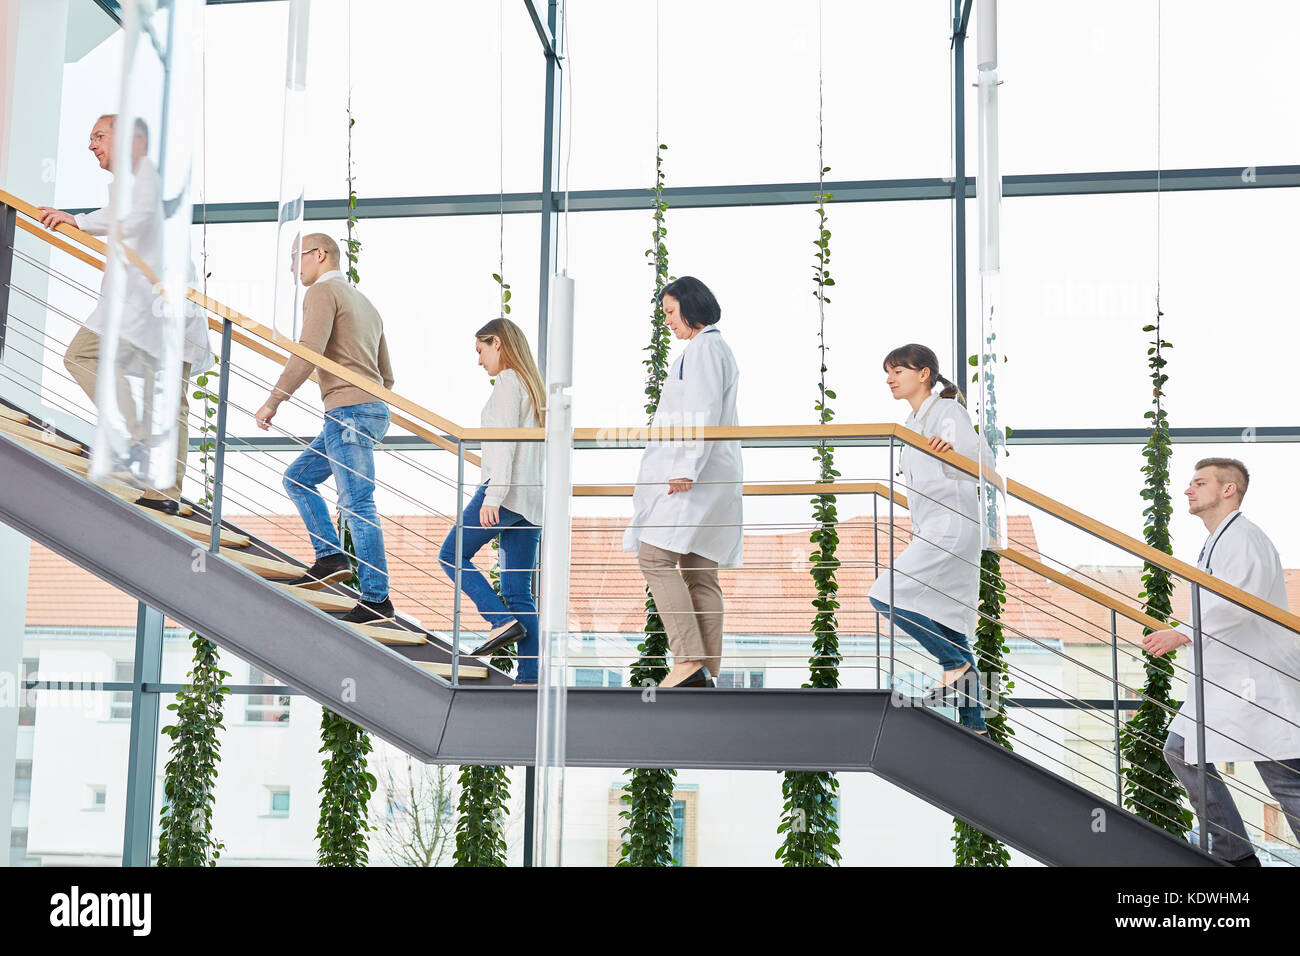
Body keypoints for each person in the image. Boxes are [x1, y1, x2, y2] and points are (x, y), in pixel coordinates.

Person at [39, 114, 211, 514]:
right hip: (155, 308)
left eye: (98, 136)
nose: (91, 145)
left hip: (153, 307)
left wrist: (77, 220)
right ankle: (162, 487)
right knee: (168, 402)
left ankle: (137, 449)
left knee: (85, 357)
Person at [1144, 458, 1300, 866]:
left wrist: (1181, 632)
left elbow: (1237, 601)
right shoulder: (1218, 540)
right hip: (1229, 679)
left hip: (1257, 679)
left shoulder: (1243, 537)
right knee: (1181, 749)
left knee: (1285, 780)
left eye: (1199, 482)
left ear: (1227, 489)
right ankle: (1233, 849)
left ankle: (1234, 850)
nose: (1188, 490)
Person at [255, 234, 396, 625]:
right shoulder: (366, 304)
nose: (292, 267)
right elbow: (387, 376)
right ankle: (331, 556)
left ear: (320, 255)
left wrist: (274, 399)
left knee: (357, 502)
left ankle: (376, 599)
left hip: (347, 413)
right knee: (298, 477)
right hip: (366, 411)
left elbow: (308, 350)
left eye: (295, 258)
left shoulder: (322, 292)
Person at [623, 276, 741, 688]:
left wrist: (687, 467)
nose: (668, 322)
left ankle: (689, 659)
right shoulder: (710, 348)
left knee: (653, 559)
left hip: (695, 476)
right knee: (698, 570)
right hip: (711, 475)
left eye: (671, 313)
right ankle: (706, 670)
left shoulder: (704, 348)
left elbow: (703, 409)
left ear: (692, 307)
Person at [867, 344, 987, 733]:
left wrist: (954, 455)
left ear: (924, 374)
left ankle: (954, 664)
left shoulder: (947, 412)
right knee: (949, 618)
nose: (889, 379)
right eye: (888, 372)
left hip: (950, 525)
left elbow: (981, 464)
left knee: (883, 593)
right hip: (939, 526)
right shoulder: (916, 421)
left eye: (898, 371)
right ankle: (975, 723)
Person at [438, 318, 545, 685]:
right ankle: (529, 678)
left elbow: (503, 444)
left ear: (497, 343)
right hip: (532, 502)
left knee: (450, 555)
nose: (479, 361)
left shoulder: (507, 382)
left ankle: (499, 621)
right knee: (517, 591)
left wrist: (493, 495)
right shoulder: (533, 387)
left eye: (480, 351)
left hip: (506, 492)